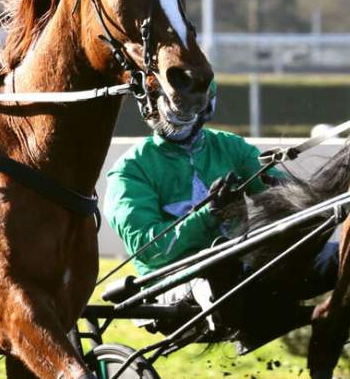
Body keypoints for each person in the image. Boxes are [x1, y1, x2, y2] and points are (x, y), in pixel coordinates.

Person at [105, 83, 314, 350]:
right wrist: (208, 214)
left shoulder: (229, 147)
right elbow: (150, 250)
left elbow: (281, 193)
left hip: (239, 270)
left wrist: (304, 192)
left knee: (333, 254)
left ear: (207, 105)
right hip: (171, 284)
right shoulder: (129, 170)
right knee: (220, 269)